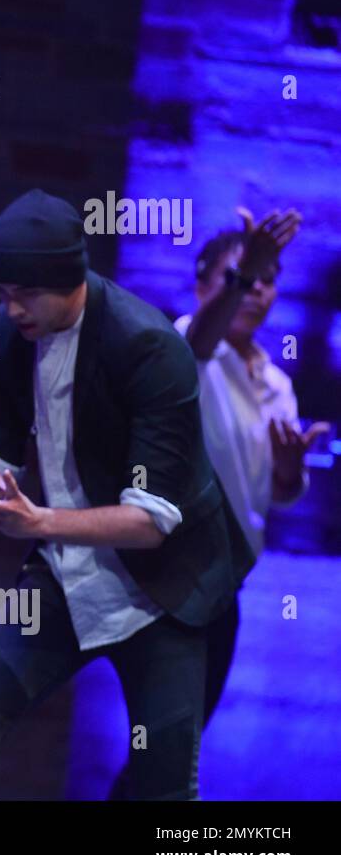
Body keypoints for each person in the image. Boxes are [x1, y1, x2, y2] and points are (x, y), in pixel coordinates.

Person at [0, 189, 253, 800]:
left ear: (74, 279)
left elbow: (152, 521)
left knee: (163, 783)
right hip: (70, 571)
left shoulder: (146, 345)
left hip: (171, 587)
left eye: (28, 293)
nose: (13, 310)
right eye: (4, 294)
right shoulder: (7, 337)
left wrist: (40, 523)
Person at [100, 208, 328, 799]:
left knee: (180, 743)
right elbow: (199, 343)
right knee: (167, 745)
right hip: (173, 579)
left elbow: (275, 492)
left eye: (267, 278)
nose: (257, 290)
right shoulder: (186, 345)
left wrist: (288, 472)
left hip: (228, 583)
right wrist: (239, 274)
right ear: (206, 282)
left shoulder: (276, 382)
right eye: (242, 277)